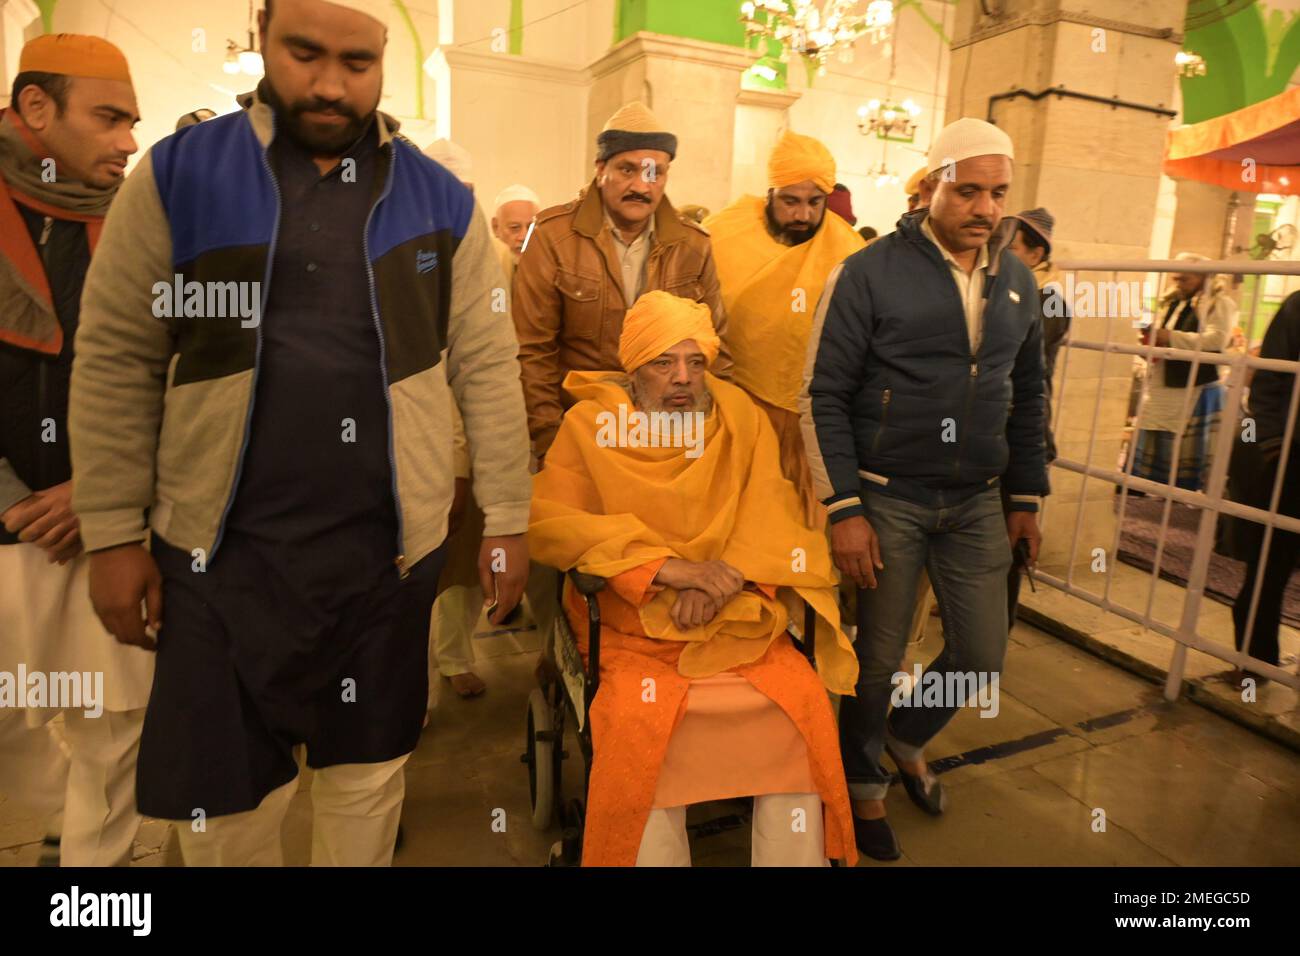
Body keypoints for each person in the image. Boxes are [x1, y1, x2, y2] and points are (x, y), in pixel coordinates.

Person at [68, 0, 532, 866]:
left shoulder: (441, 203)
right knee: (226, 803)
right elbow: (117, 359)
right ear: (262, 39)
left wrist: (506, 517)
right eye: (305, 53)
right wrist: (112, 533)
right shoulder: (179, 178)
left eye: (356, 61)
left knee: (367, 777)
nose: (329, 82)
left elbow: (487, 369)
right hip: (219, 554)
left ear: (385, 58)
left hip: (389, 553)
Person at [530, 291, 860, 867]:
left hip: (735, 614)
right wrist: (667, 573)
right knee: (640, 719)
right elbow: (555, 522)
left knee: (800, 701)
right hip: (631, 625)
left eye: (696, 362)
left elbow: (773, 516)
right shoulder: (590, 426)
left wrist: (725, 583)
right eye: (663, 362)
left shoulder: (739, 416)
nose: (682, 378)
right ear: (634, 366)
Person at [802, 117, 1047, 861]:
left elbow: (1029, 393)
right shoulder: (871, 271)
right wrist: (844, 508)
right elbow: (823, 394)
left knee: (980, 653)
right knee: (877, 657)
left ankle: (907, 736)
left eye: (998, 193)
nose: (984, 208)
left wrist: (1026, 497)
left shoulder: (1017, 280)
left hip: (976, 496)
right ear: (929, 186)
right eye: (966, 190)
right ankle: (861, 783)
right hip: (888, 493)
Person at [0, 33, 152, 867]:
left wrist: (99, 491)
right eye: (109, 118)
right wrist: (12, 500)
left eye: (131, 120)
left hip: (105, 526)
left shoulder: (144, 222)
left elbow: (172, 376)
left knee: (114, 728)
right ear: (35, 108)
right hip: (8, 525)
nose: (130, 139)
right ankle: (57, 817)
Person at [512, 99, 730, 460]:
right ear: (601, 169)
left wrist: (712, 436)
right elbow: (531, 352)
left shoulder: (694, 245)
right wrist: (552, 440)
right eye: (628, 170)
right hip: (582, 425)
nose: (641, 187)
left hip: (668, 432)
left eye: (654, 173)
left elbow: (716, 350)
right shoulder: (553, 237)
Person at [704, 130, 864, 522]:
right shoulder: (721, 234)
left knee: (794, 524)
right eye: (790, 201)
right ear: (770, 193)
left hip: (811, 424)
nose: (803, 215)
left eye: (815, 202)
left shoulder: (850, 253)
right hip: (733, 408)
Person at [1226, 290, 1300, 680]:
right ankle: (1255, 664)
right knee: (1268, 566)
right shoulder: (1297, 306)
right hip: (1292, 456)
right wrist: (1273, 447)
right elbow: (1269, 382)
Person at [1004, 207, 1071, 627]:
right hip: (1002, 427)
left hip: (1022, 431)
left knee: (1010, 537)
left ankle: (996, 632)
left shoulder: (1048, 298)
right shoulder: (1020, 287)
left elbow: (1024, 368)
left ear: (1035, 253)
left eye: (1011, 250)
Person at [1130, 252, 1235, 492]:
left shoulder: (1220, 304)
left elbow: (1217, 339)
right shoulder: (1174, 301)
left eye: (1185, 279)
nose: (1178, 284)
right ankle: (1144, 484)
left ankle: (1178, 491)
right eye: (1176, 279)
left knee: (1182, 444)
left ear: (1204, 278)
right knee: (1153, 428)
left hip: (1195, 384)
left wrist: (1170, 336)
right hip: (1165, 377)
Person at [490, 183, 540, 278]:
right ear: (495, 227)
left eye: (531, 228)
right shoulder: (482, 272)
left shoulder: (549, 272)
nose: (524, 237)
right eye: (515, 228)